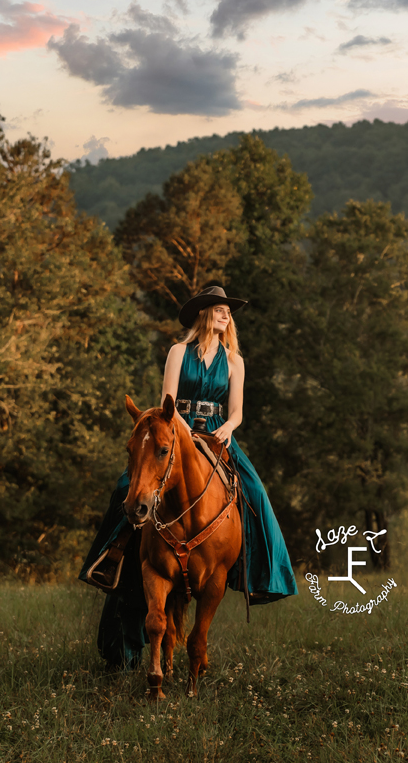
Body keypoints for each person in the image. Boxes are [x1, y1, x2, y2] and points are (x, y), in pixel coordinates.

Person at [79, 286, 298, 668]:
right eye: (218, 309)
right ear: (202, 314)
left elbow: (237, 411)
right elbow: (167, 400)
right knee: (124, 490)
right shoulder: (178, 352)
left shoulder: (234, 361)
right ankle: (112, 557)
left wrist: (227, 429)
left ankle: (254, 570)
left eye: (227, 311)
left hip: (217, 434)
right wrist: (182, 434)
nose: (225, 315)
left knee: (255, 493)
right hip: (175, 430)